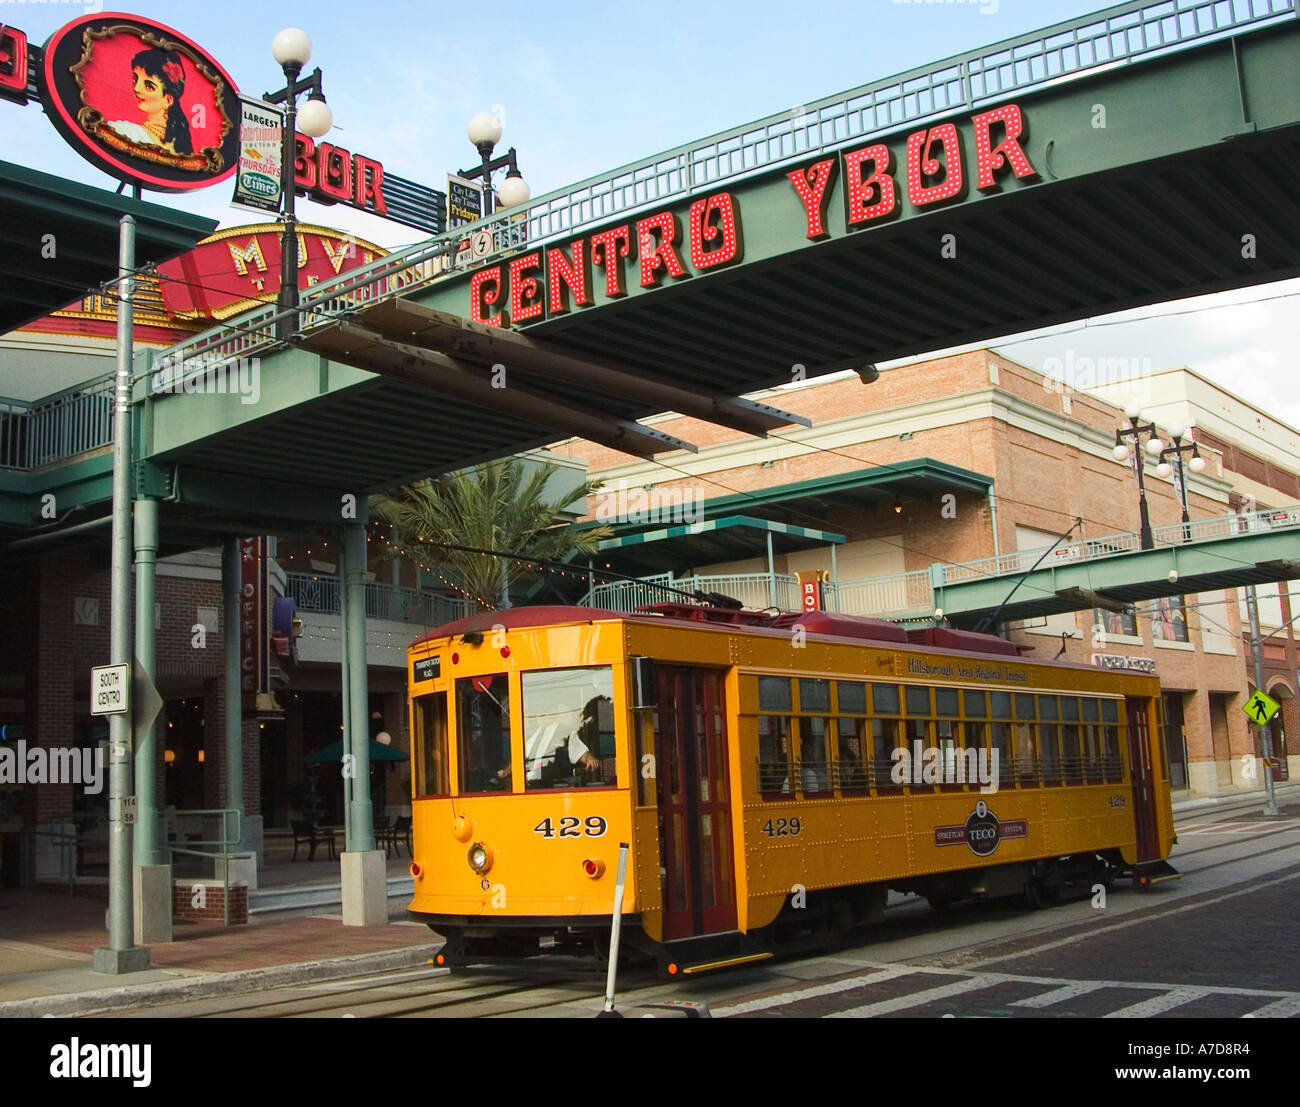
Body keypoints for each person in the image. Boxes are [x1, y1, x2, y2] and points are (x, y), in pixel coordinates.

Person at [103, 48, 194, 156]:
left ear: (168, 100)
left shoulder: (179, 143)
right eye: (135, 79)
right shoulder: (123, 131)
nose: (136, 88)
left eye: (149, 86)